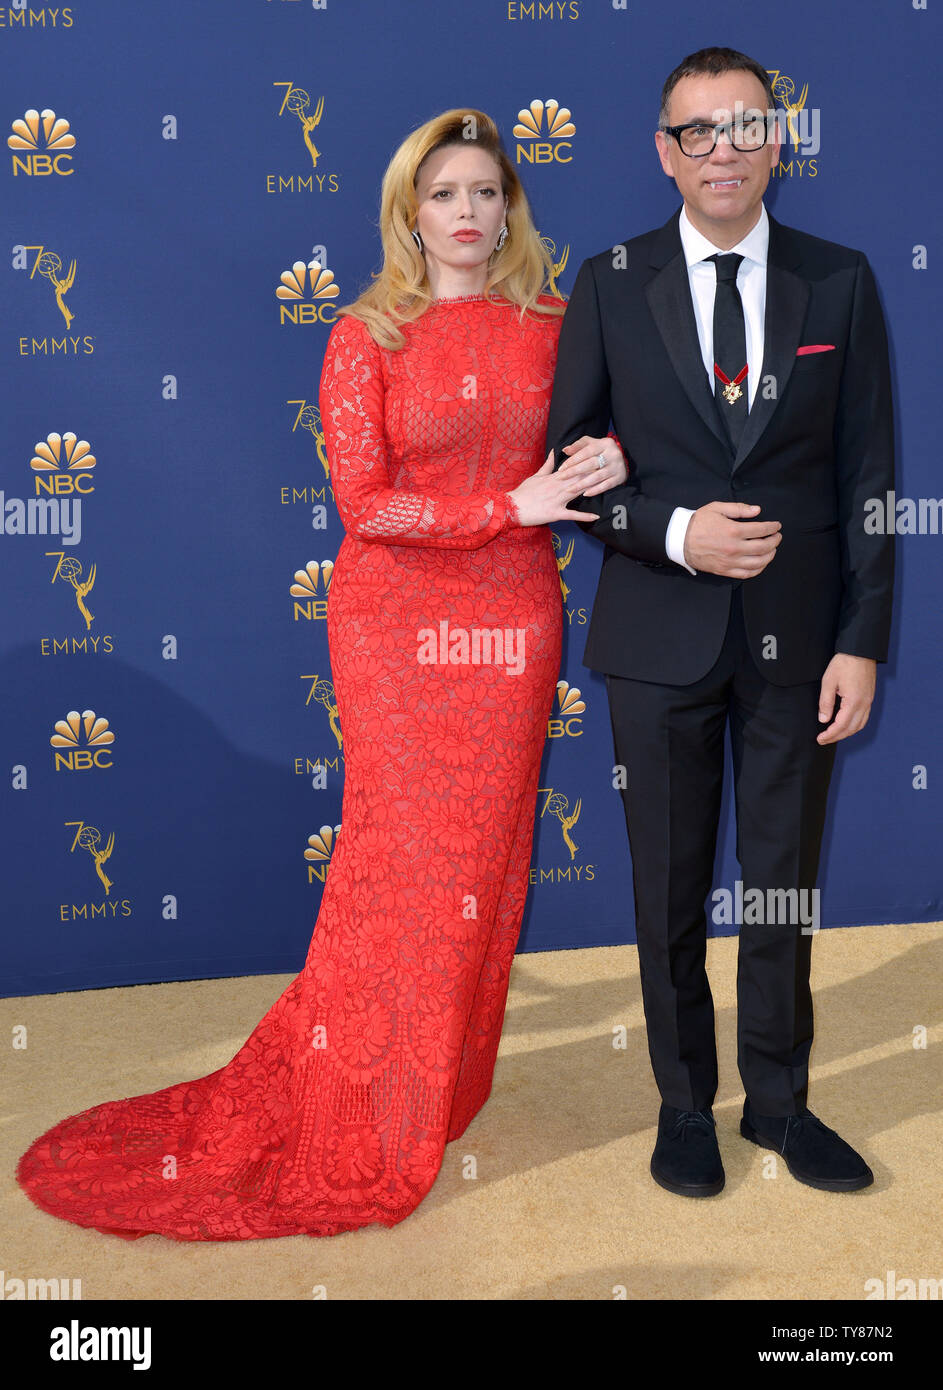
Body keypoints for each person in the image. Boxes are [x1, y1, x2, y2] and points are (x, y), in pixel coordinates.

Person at [15, 109, 627, 1240]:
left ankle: (433, 1084)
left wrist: (605, 457)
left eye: (486, 193)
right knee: (399, 855)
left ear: (510, 207)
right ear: (409, 212)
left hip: (513, 618)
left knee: (482, 858)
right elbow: (365, 505)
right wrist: (509, 505)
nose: (467, 214)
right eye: (444, 194)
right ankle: (358, 1099)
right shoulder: (368, 334)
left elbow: (600, 432)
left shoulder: (555, 319)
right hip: (397, 623)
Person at [547, 47, 894, 1198]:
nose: (723, 149)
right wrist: (675, 530)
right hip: (655, 638)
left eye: (744, 125)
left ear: (777, 141)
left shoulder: (837, 280)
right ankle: (684, 1105)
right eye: (697, 130)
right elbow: (572, 472)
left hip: (801, 645)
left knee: (782, 879)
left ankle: (780, 1104)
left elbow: (867, 476)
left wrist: (863, 638)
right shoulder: (608, 281)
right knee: (666, 886)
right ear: (664, 150)